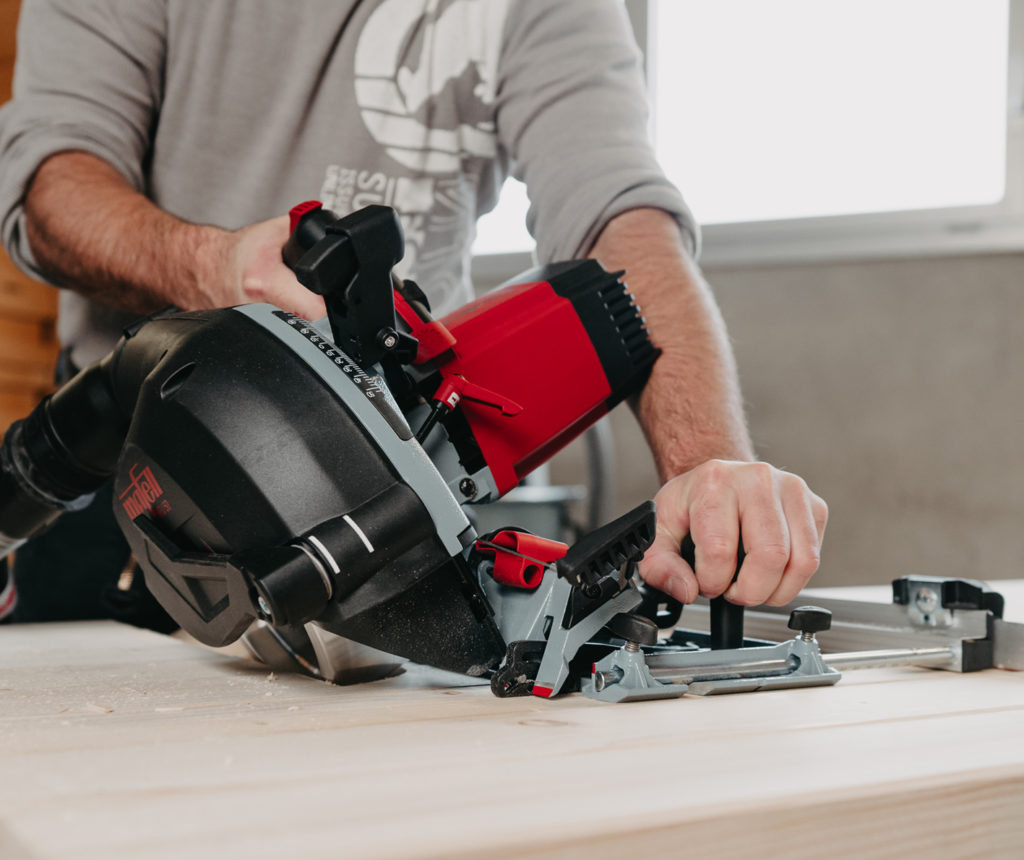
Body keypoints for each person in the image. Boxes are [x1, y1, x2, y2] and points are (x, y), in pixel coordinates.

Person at [0, 0, 826, 628]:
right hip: (140, 467)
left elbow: (619, 220)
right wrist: (209, 266)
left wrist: (710, 470)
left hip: (395, 501)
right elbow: (54, 179)